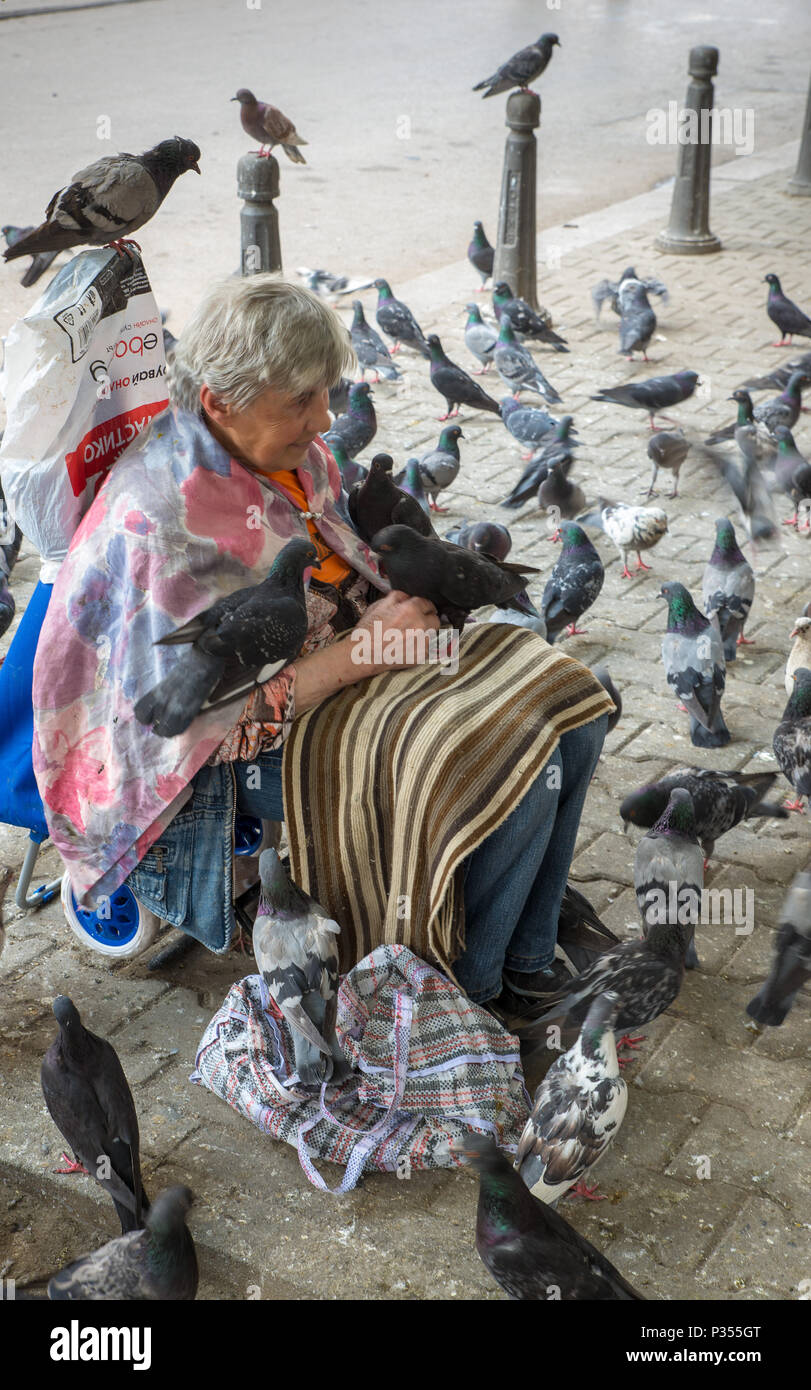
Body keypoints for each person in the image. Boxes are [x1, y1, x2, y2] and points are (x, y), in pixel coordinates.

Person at [32, 276, 612, 1022]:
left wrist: (392, 620)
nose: (325, 417)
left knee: (574, 707)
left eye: (327, 392)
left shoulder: (301, 460)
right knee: (514, 773)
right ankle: (473, 994)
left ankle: (525, 958)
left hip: (368, 661)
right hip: (240, 747)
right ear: (220, 402)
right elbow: (202, 732)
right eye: (300, 401)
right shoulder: (162, 521)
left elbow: (354, 570)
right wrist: (363, 654)